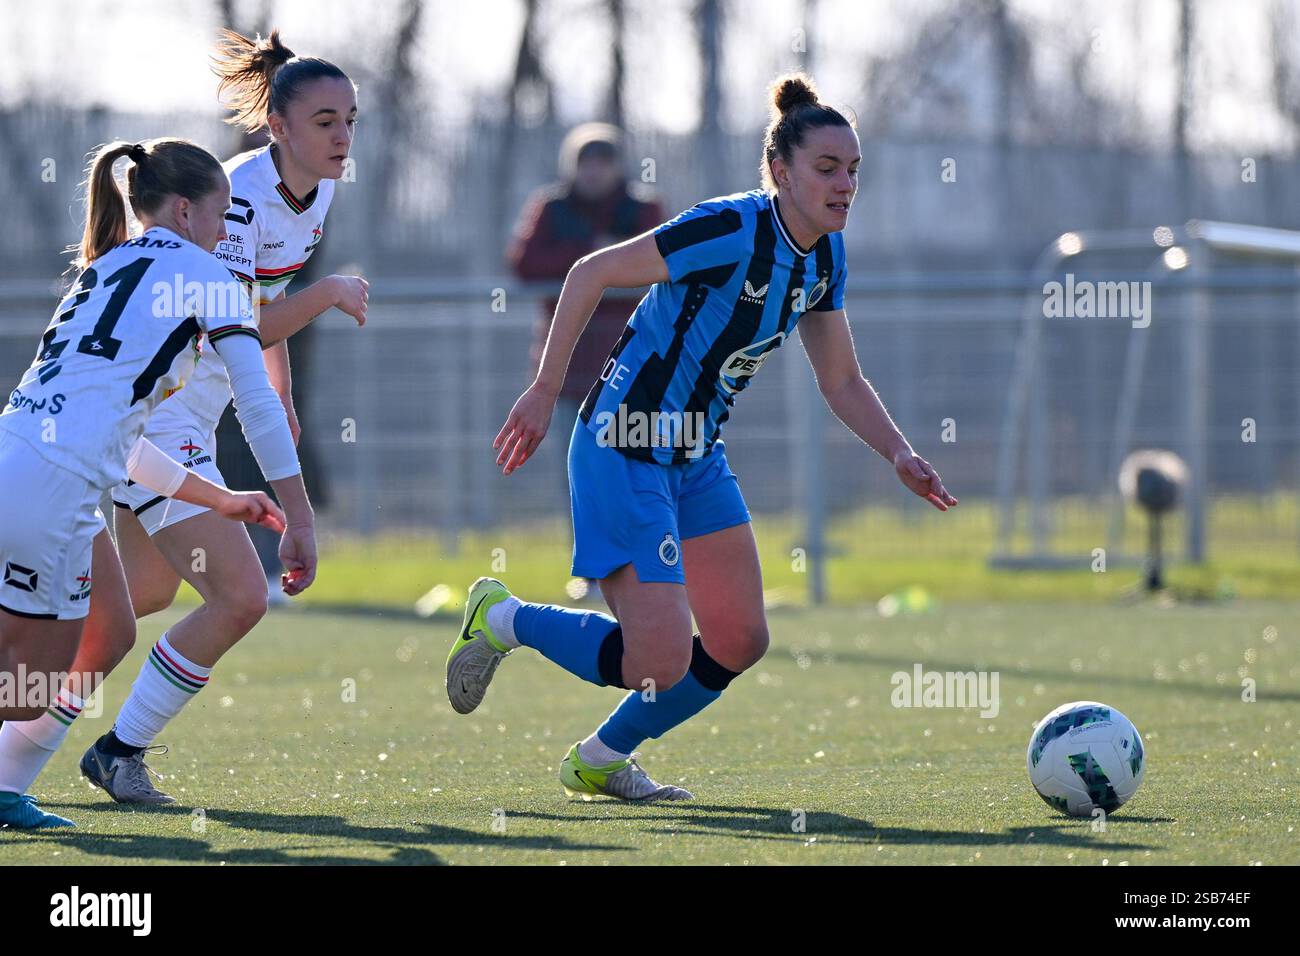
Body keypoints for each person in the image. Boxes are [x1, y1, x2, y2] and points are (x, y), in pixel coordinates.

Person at [445, 73, 957, 801]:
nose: (845, 184)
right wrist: (544, 389)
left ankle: (599, 758)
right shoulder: (728, 229)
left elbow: (842, 380)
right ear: (781, 172)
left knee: (740, 640)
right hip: (623, 443)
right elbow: (591, 272)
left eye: (852, 170)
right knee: (656, 660)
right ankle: (502, 618)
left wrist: (901, 452)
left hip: (696, 456)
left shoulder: (825, 258)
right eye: (826, 168)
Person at [0, 28, 365, 814]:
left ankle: (11, 781)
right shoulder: (219, 223)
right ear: (277, 128)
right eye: (326, 120)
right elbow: (244, 328)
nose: (342, 136)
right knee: (229, 599)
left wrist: (246, 465)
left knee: (126, 613)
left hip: (72, 446)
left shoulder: (120, 260)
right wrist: (292, 508)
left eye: (350, 119)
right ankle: (106, 755)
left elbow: (249, 325)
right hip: (138, 437)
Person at [508, 124, 663, 464]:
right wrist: (592, 257)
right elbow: (525, 263)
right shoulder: (552, 208)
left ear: (618, 166)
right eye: (586, 162)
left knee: (629, 465)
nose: (595, 171)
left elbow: (659, 266)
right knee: (575, 464)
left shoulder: (642, 208)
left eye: (604, 161)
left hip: (631, 363)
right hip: (567, 368)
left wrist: (611, 265)